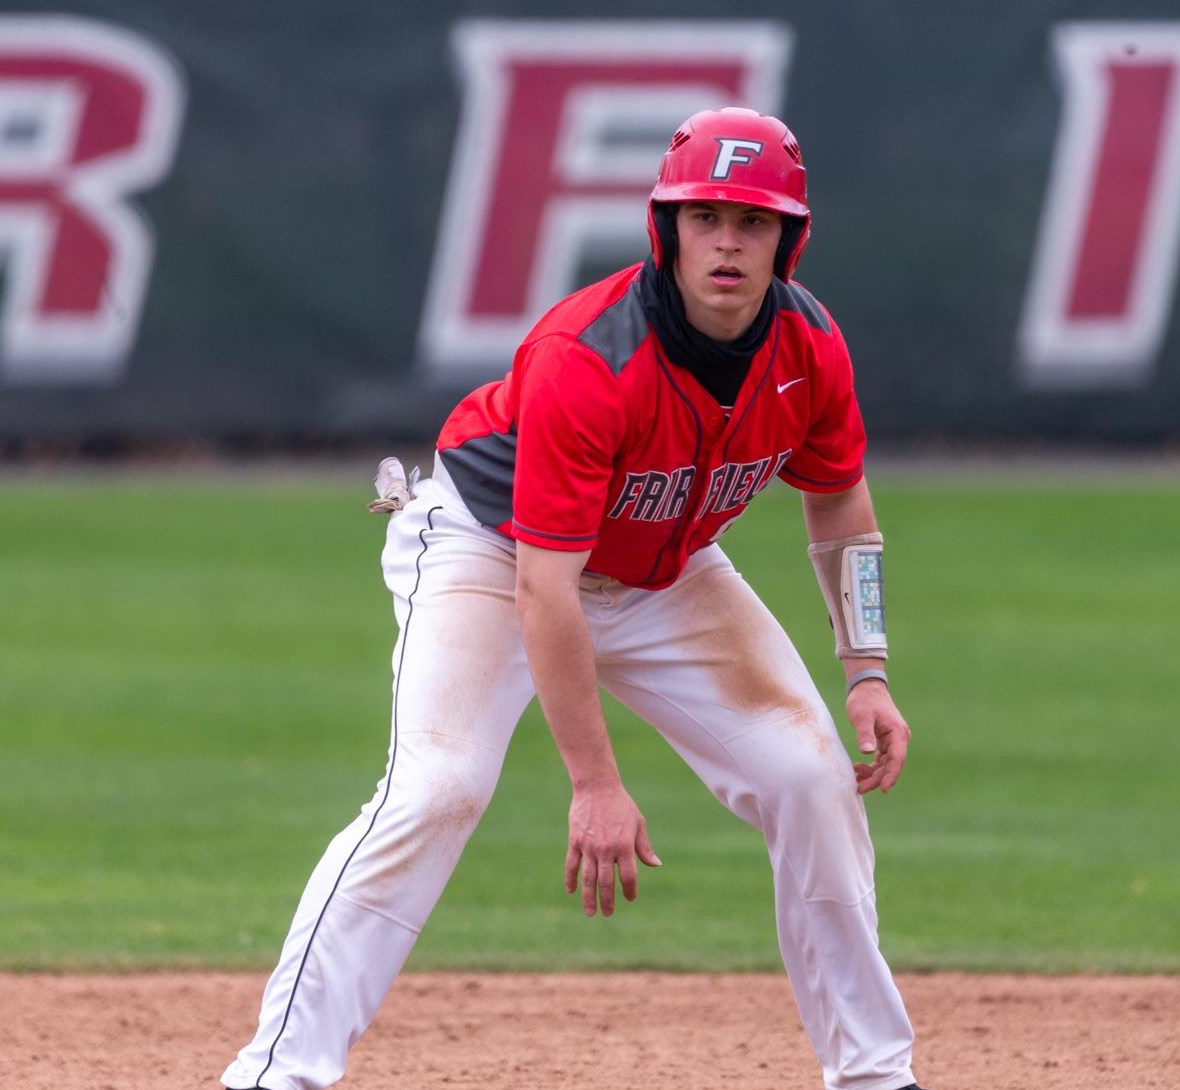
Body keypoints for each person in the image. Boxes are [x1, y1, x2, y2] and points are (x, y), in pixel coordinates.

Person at [222, 106, 925, 1090]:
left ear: (788, 238)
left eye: (752, 221)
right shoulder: (590, 358)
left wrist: (866, 670)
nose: (726, 241)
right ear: (664, 226)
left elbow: (840, 499)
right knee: (438, 786)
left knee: (808, 779)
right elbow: (545, 587)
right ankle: (274, 1073)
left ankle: (874, 1075)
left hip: (662, 570)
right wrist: (593, 781)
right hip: (487, 548)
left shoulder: (807, 347)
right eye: (704, 215)